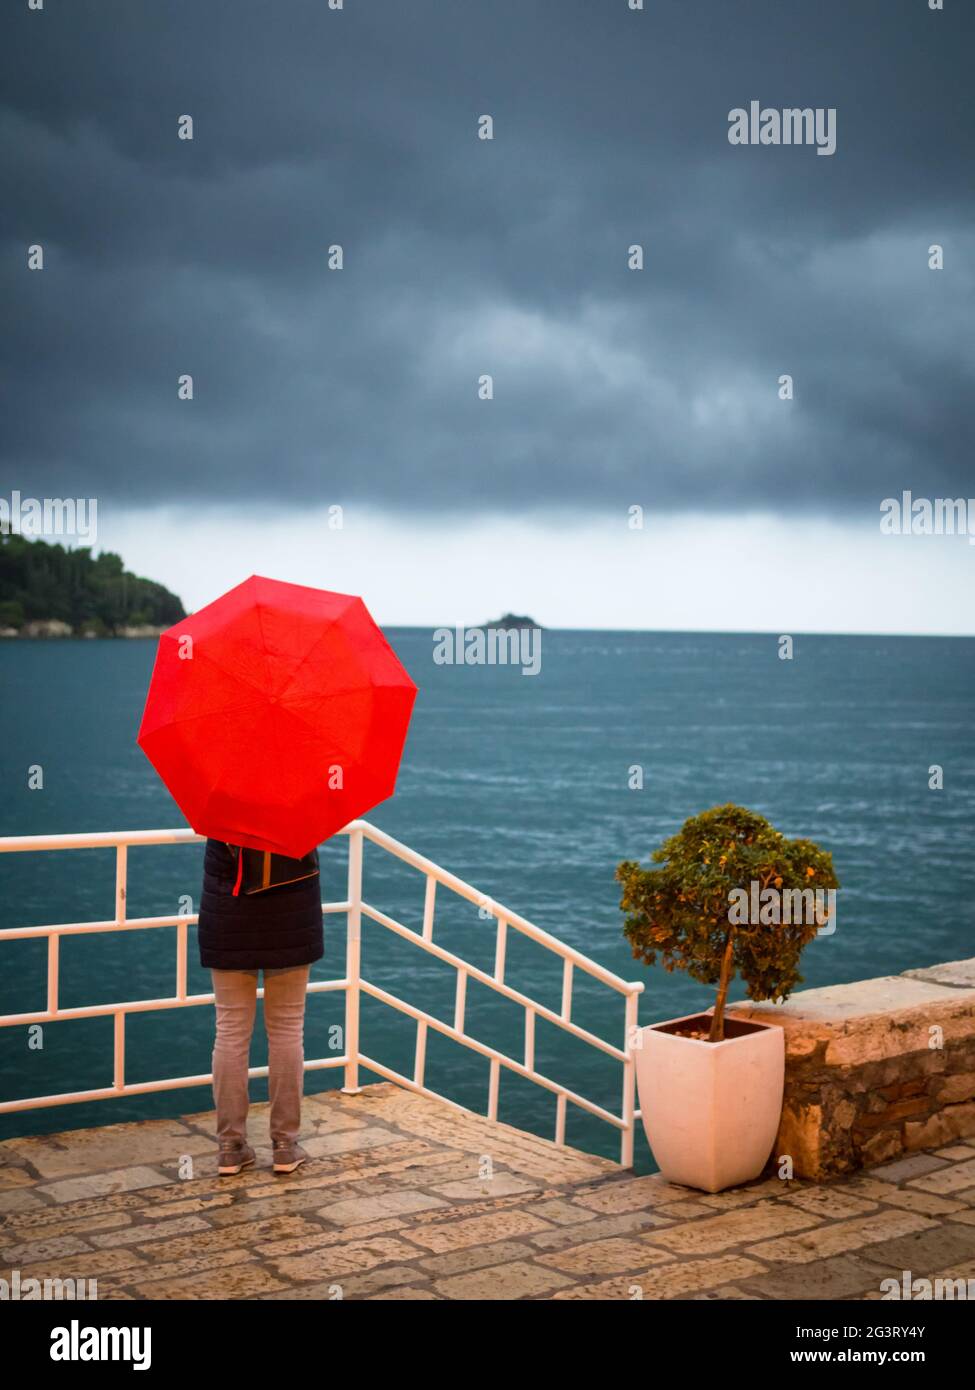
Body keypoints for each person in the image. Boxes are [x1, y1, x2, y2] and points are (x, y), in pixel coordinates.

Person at [197, 838, 323, 1176]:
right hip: (291, 918)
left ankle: (230, 1147)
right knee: (286, 1029)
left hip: (228, 917)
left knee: (230, 1032)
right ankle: (284, 1146)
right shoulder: (302, 799)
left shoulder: (216, 794)